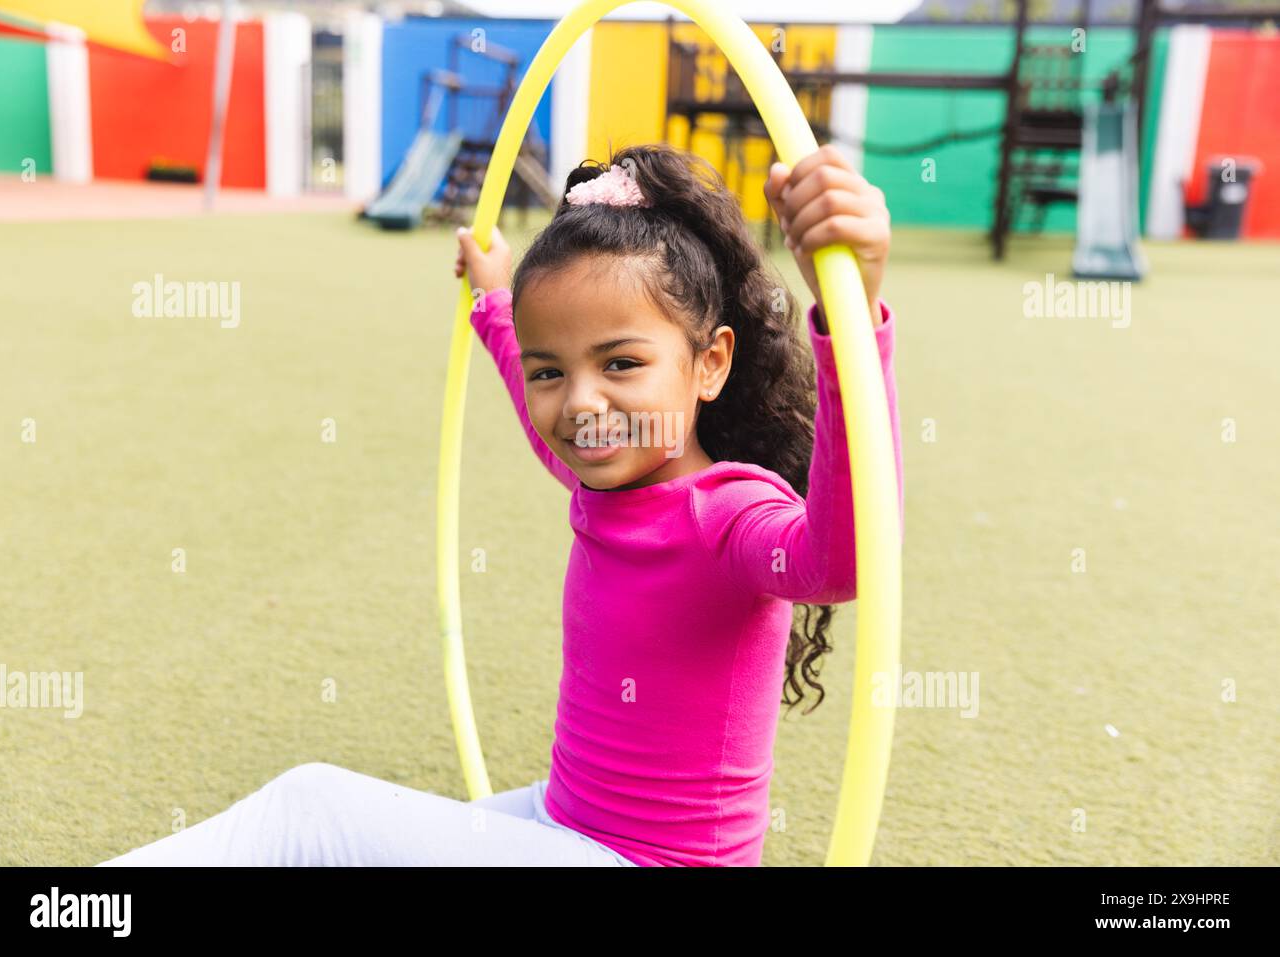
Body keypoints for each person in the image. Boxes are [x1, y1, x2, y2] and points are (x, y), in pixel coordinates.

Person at [98, 142, 902, 867]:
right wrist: (493, 299)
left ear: (709, 363)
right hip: (564, 822)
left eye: (622, 362)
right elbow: (530, 393)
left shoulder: (726, 511)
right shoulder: (608, 476)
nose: (581, 403)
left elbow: (842, 559)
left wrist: (854, 318)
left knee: (308, 810)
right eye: (557, 370)